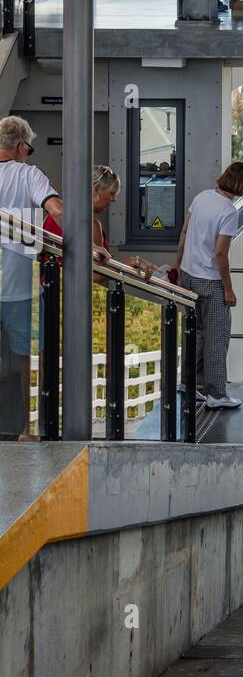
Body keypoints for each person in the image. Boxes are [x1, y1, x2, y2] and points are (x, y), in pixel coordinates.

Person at [0, 116, 63, 439]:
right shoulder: (29, 175)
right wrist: (89, 244)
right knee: (26, 360)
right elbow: (57, 211)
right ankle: (26, 428)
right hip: (19, 287)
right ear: (22, 147)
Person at [174, 160, 243, 410]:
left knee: (195, 333)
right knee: (217, 338)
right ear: (242, 184)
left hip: (188, 276)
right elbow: (220, 254)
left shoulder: (201, 197)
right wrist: (228, 289)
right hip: (209, 281)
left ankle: (190, 384)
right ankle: (216, 394)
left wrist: (178, 265)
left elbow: (185, 233)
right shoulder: (229, 212)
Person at [43, 166, 157, 280]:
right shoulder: (91, 225)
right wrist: (132, 262)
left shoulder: (51, 217)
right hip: (73, 295)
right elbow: (94, 277)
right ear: (96, 189)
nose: (114, 200)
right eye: (111, 193)